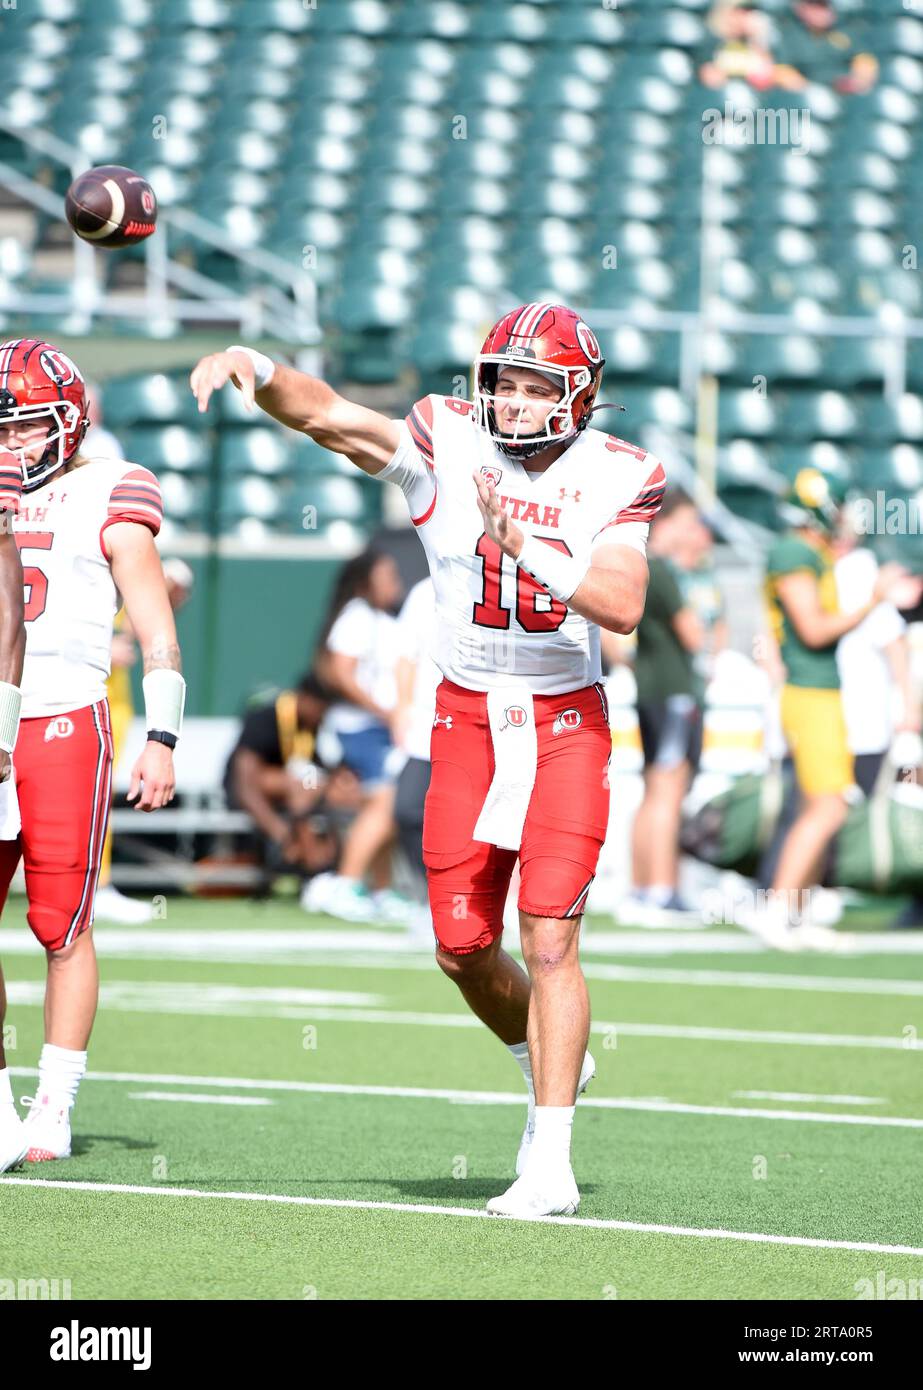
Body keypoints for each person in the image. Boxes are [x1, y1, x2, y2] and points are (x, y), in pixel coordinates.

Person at [190, 301, 663, 1219]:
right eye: (504, 383)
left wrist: (526, 546)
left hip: (564, 719)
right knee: (460, 949)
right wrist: (256, 365)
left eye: (537, 387)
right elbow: (328, 413)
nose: (516, 403)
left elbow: (621, 602)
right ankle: (544, 1055)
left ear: (582, 396)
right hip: (465, 721)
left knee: (551, 936)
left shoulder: (621, 473)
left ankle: (550, 1154)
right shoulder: (446, 438)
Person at [0, 337, 185, 1173]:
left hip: (63, 719)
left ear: (66, 425)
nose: (10, 445)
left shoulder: (108, 487)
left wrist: (162, 734)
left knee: (60, 924)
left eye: (23, 428)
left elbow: (155, 632)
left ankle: (55, 1101)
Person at [753, 466, 920, 949]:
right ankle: (778, 908)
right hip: (809, 691)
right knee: (828, 806)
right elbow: (814, 630)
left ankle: (797, 910)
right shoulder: (794, 552)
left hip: (822, 691)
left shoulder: (813, 553)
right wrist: (873, 599)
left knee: (821, 803)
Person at [301, 547, 410, 923]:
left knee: (385, 809)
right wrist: (385, 711)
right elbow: (342, 673)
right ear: (366, 581)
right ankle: (345, 885)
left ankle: (381, 890)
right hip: (359, 729)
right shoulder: (357, 618)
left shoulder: (385, 621)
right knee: (386, 805)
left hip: (379, 729)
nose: (394, 582)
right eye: (386, 575)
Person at [96, 555, 195, 923]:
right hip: (80, 700)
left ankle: (94, 883)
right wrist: (102, 649)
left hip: (109, 701)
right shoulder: (115, 570)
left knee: (98, 793)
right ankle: (95, 885)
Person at [624, 491, 706, 921]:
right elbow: (693, 634)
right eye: (688, 522)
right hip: (673, 692)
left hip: (650, 690)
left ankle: (642, 889)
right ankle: (661, 888)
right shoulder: (661, 570)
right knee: (667, 789)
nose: (694, 533)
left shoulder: (640, 567)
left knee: (654, 788)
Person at [223, 671, 361, 887]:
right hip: (247, 796)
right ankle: (315, 868)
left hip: (294, 799)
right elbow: (245, 786)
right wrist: (283, 835)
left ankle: (329, 869)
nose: (323, 717)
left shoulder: (308, 725)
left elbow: (312, 768)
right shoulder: (266, 718)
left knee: (331, 788)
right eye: (321, 709)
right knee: (301, 785)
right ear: (305, 699)